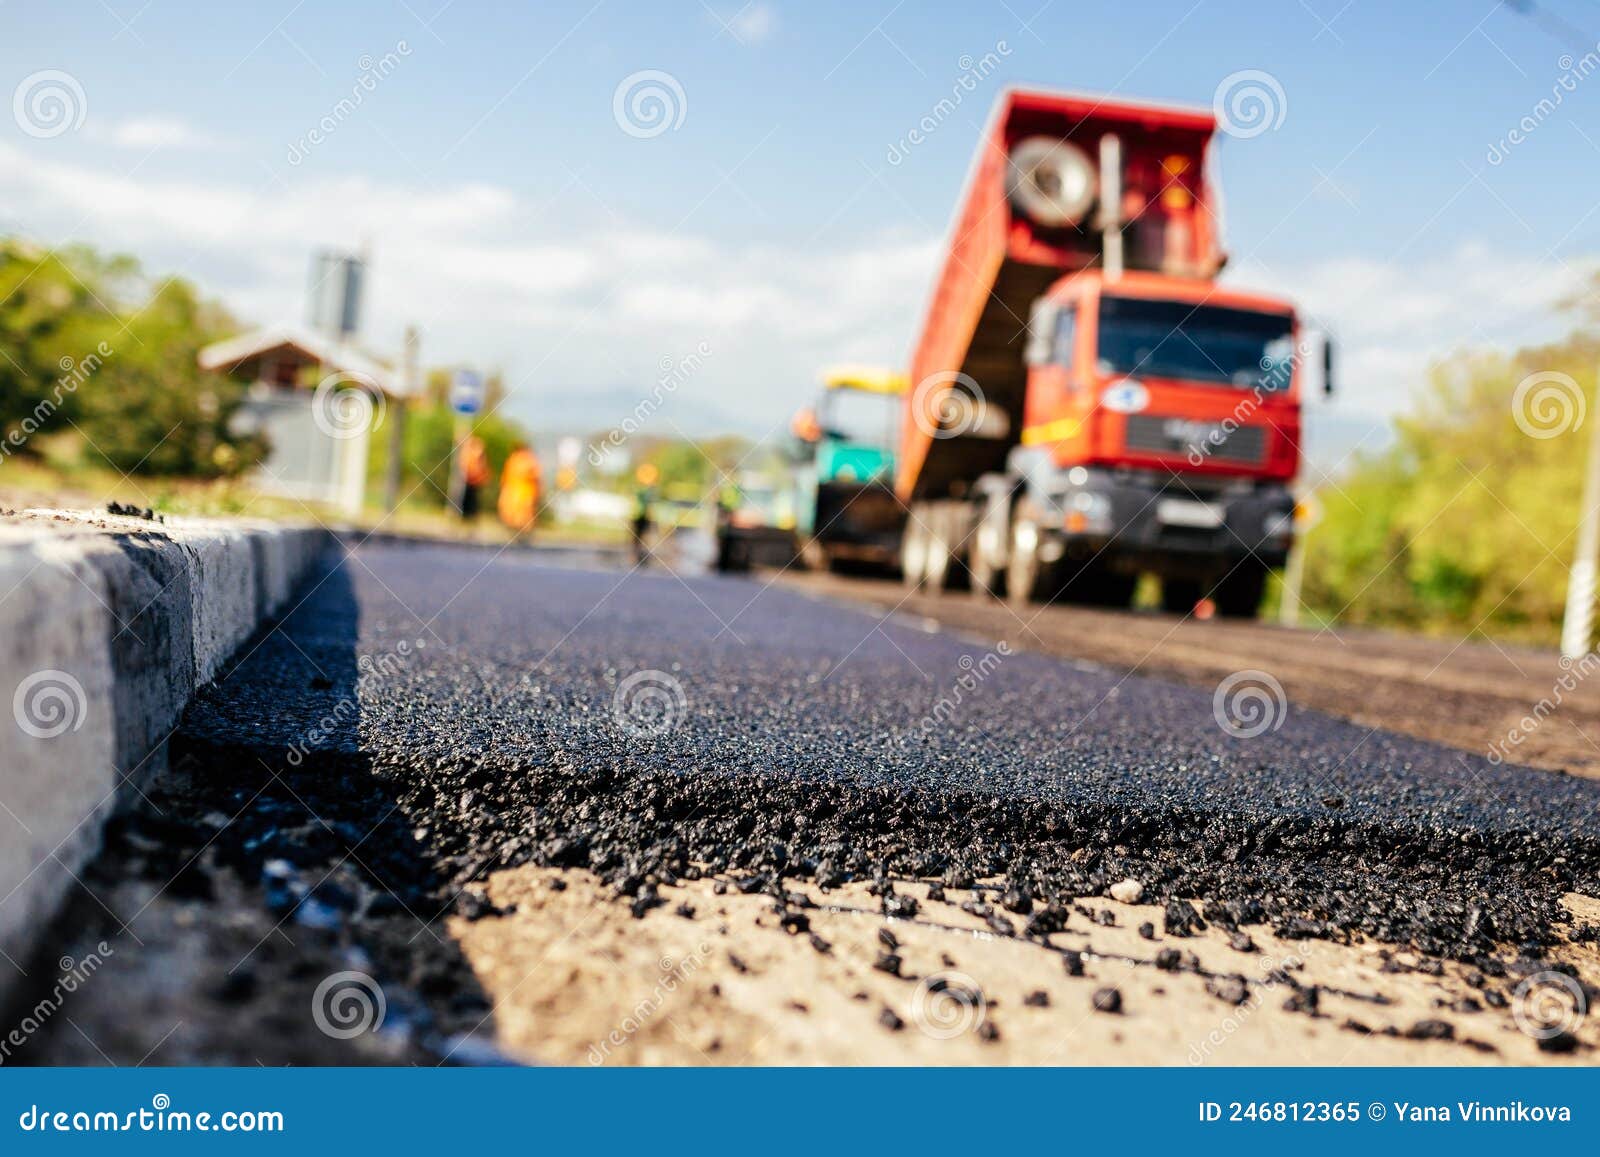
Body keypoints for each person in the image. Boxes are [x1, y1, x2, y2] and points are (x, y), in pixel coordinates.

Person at [498, 442, 543, 538]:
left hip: (526, 492)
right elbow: (506, 477)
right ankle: (515, 532)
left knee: (525, 514)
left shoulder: (530, 460)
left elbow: (536, 476)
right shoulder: (513, 459)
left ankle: (525, 534)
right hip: (513, 491)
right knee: (511, 513)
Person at [631, 462, 659, 566]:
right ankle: (637, 557)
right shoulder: (642, 490)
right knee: (638, 538)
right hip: (639, 516)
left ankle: (640, 557)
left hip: (643, 516)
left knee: (642, 538)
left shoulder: (644, 490)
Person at [458, 434, 490, 522]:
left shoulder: (477, 454)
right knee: (466, 498)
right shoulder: (468, 452)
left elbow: (483, 467)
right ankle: (465, 516)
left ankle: (471, 516)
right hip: (468, 478)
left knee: (473, 499)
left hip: (475, 479)